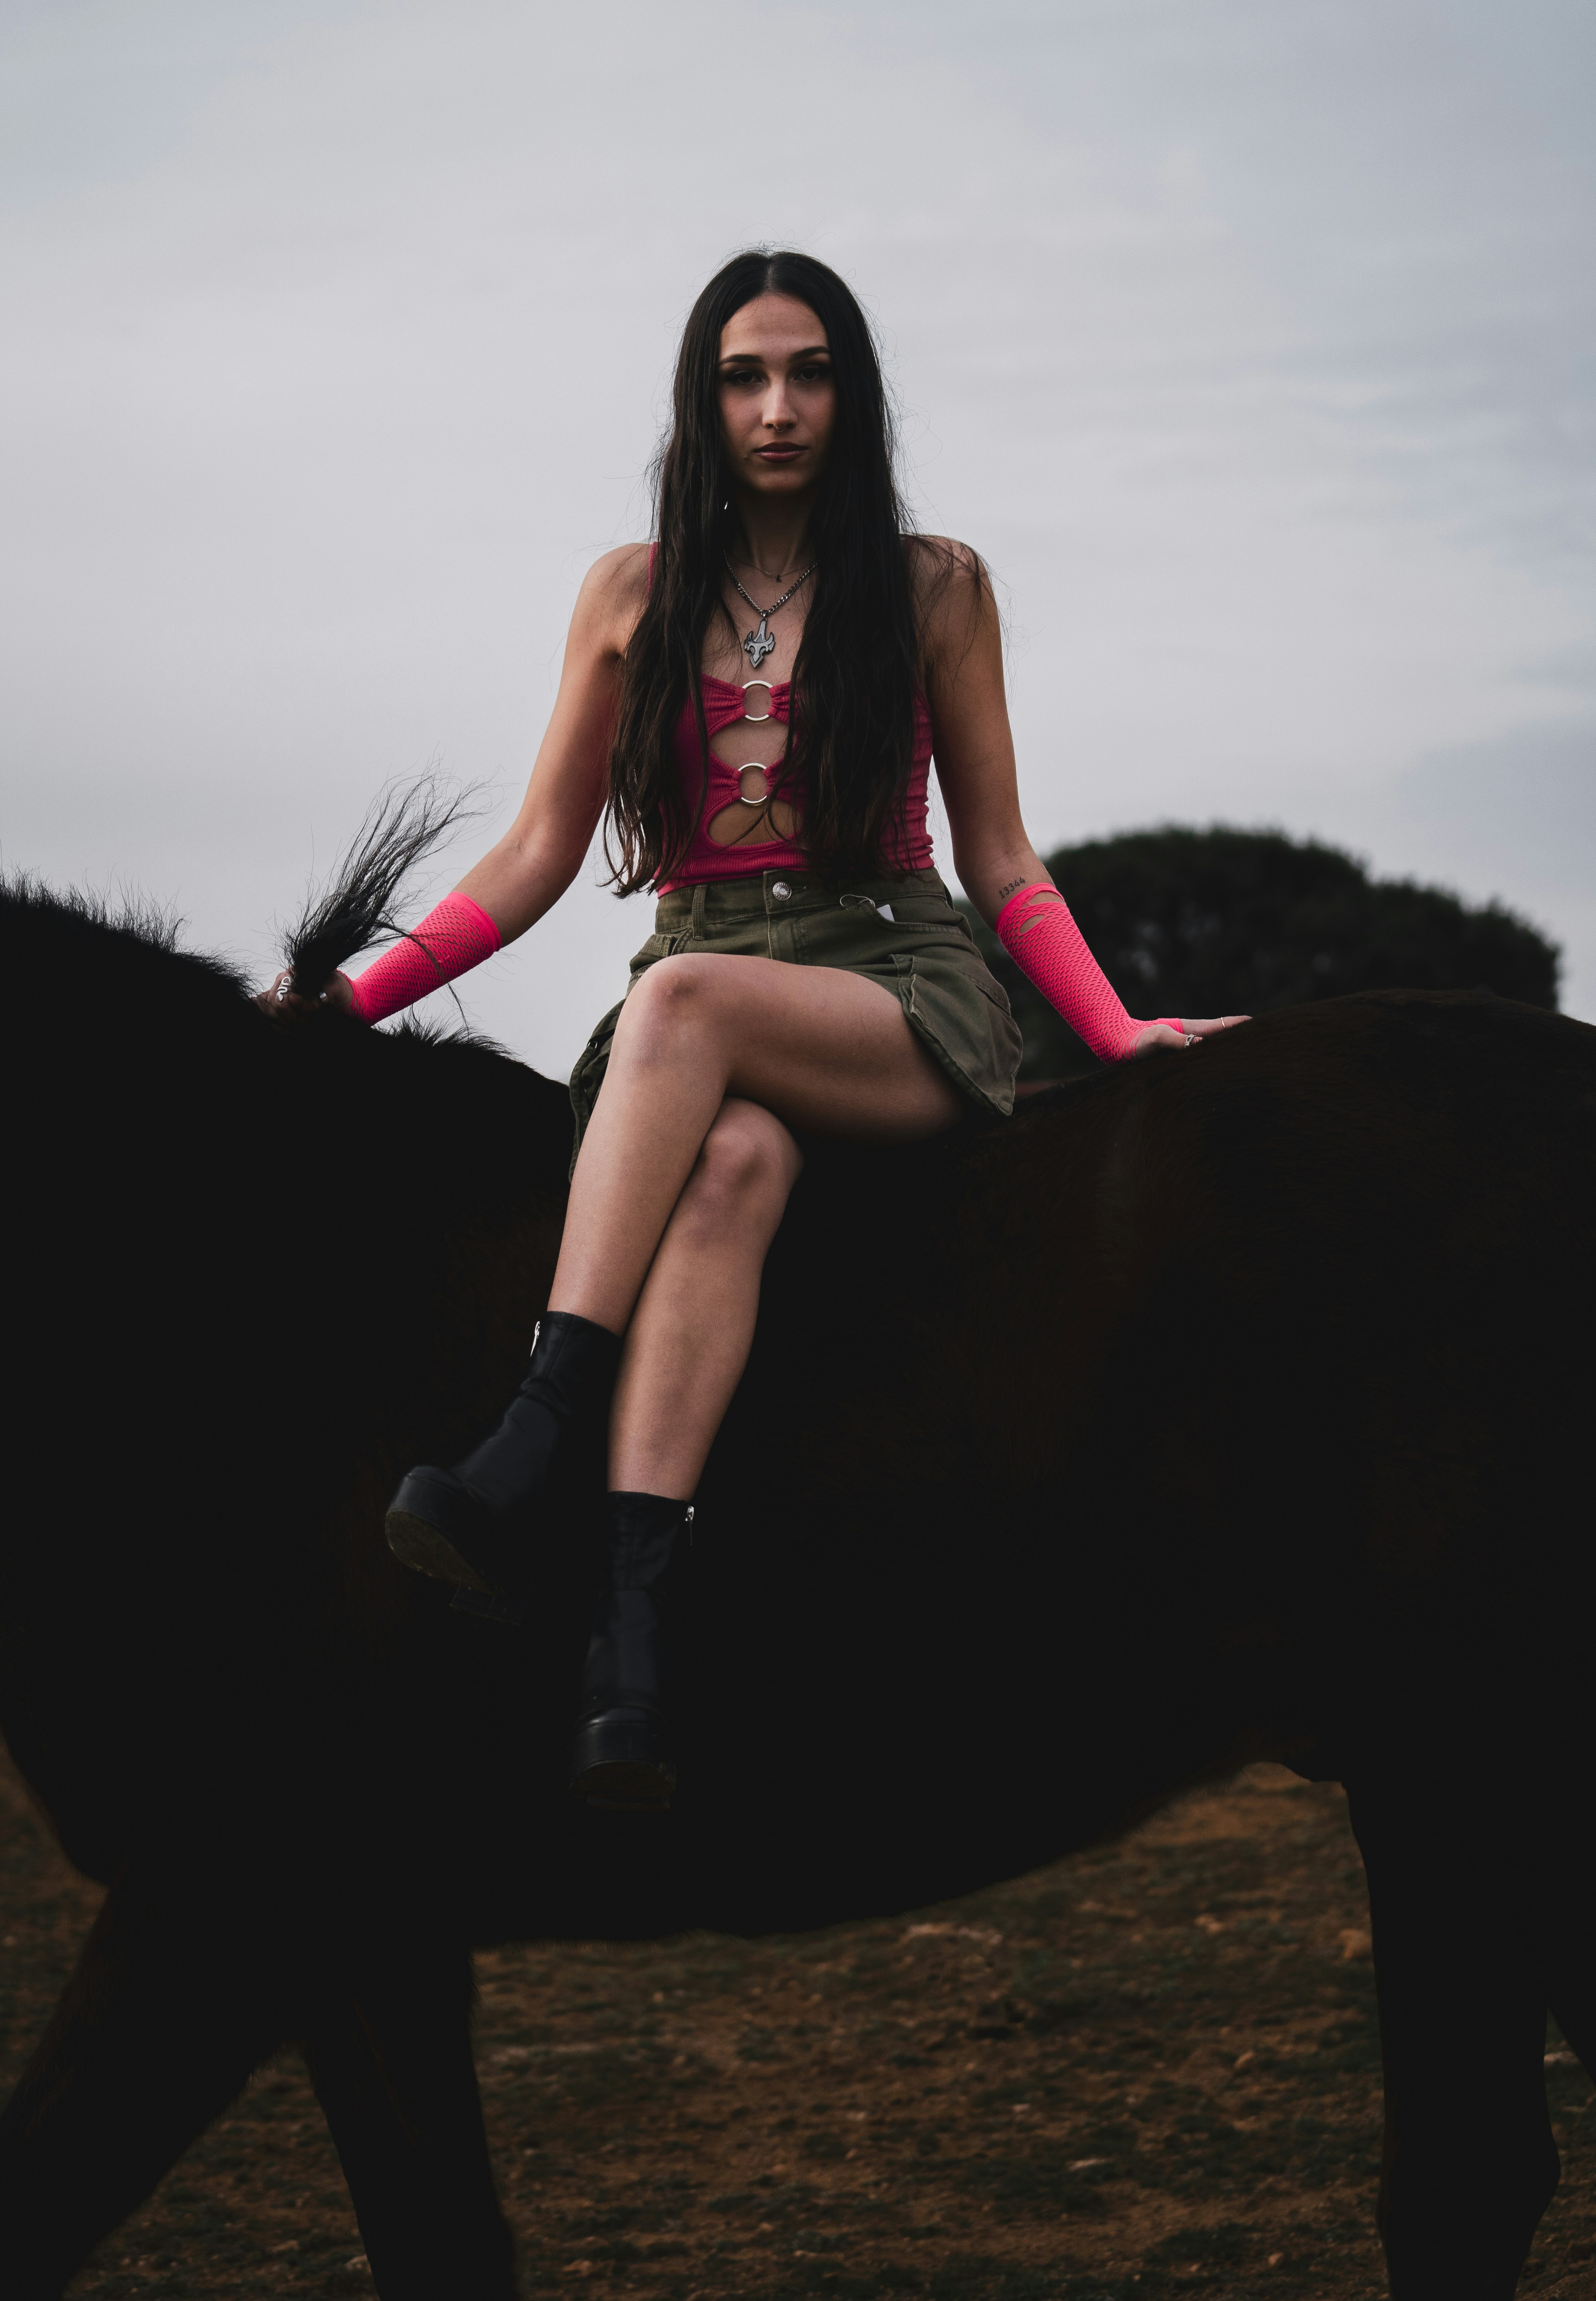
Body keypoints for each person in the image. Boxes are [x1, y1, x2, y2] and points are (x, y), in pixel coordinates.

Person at [260, 249, 1239, 1811]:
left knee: (680, 1003)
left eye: (808, 372)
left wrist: (1115, 1036)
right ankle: (631, 1638)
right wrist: (349, 1001)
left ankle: (531, 1437)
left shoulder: (934, 583)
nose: (776, 407)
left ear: (852, 395)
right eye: (743, 375)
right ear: (699, 399)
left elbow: (997, 854)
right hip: (704, 1003)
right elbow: (533, 857)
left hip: (891, 985)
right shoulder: (629, 592)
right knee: (718, 1173)